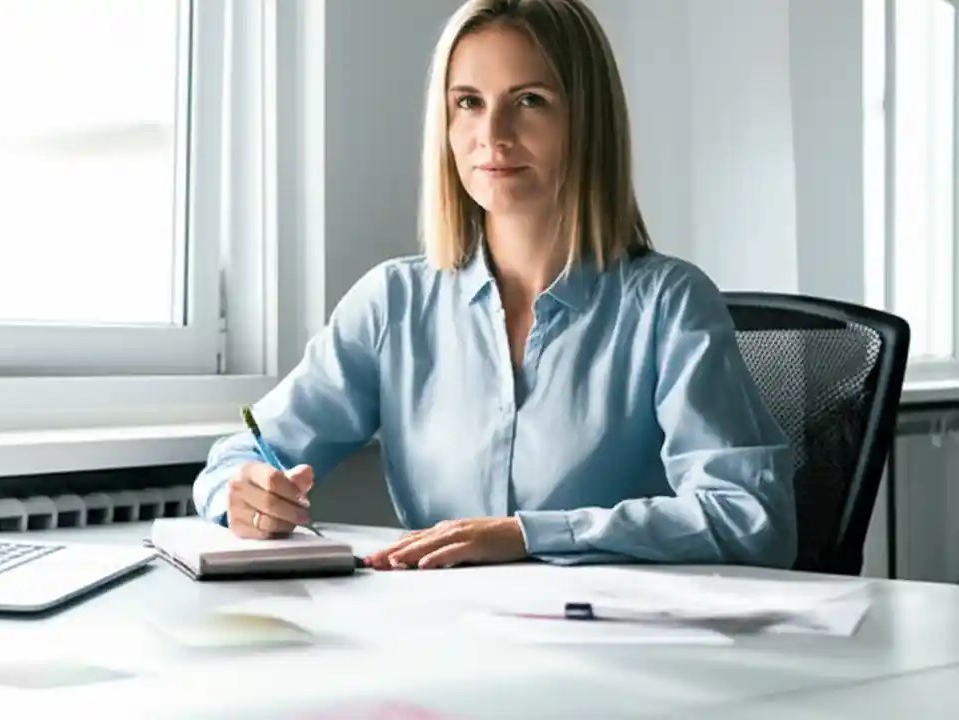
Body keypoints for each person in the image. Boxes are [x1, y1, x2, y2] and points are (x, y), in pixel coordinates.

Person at [192, 0, 797, 571]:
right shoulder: (391, 305)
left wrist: (529, 535)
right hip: (444, 640)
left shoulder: (669, 305)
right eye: (468, 103)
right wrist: (245, 495)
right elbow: (239, 459)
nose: (493, 135)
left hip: (616, 649)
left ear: (587, 120)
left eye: (529, 100)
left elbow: (752, 518)